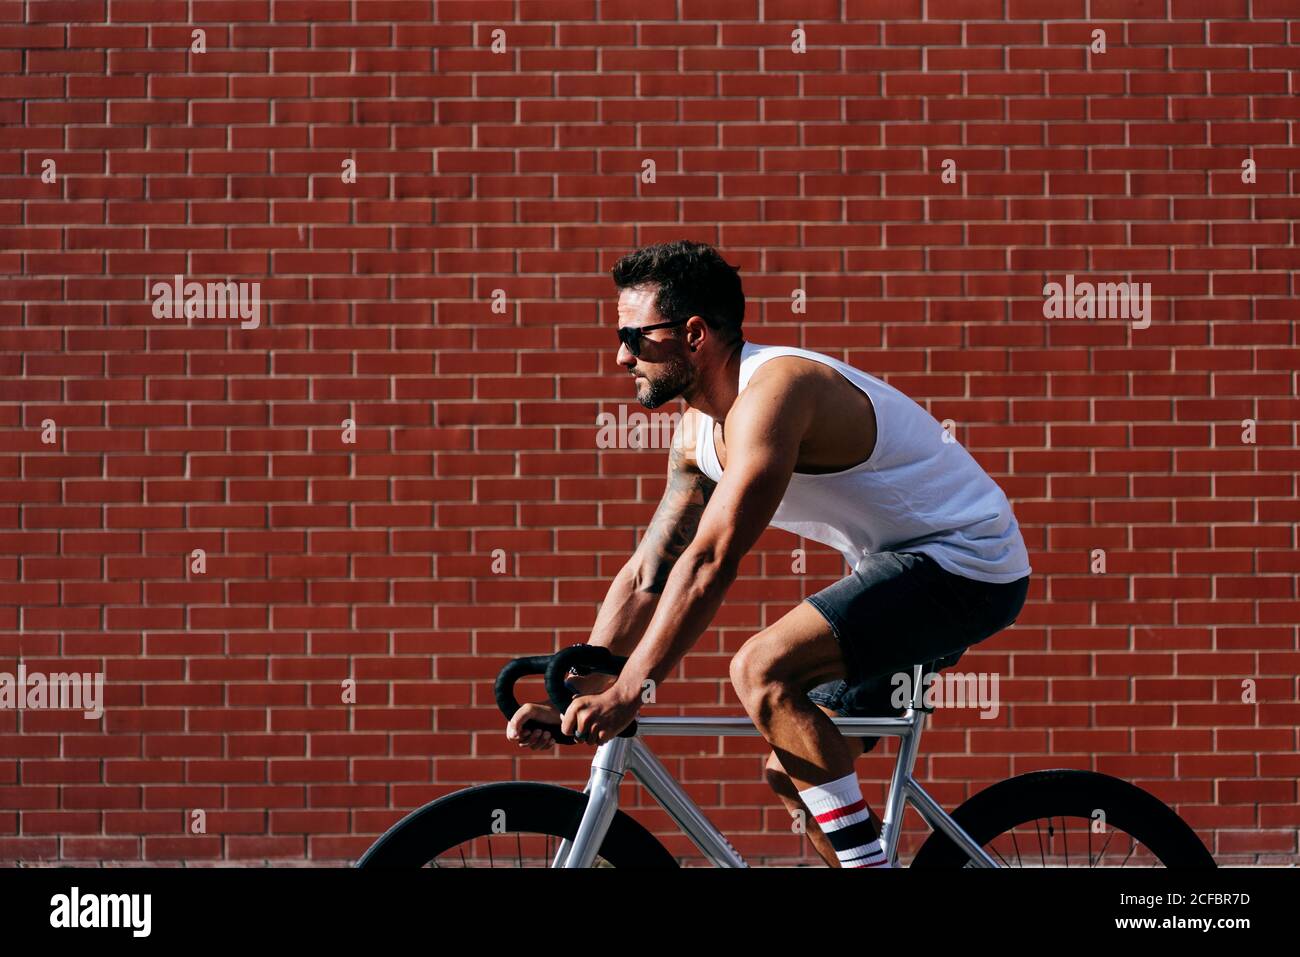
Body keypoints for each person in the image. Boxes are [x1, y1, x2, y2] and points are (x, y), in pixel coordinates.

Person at [506, 240, 1031, 868]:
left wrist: (630, 693)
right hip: (897, 568)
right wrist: (584, 688)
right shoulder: (697, 434)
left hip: (968, 564)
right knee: (796, 772)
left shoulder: (778, 391)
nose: (622, 356)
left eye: (634, 337)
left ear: (693, 334)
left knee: (761, 668)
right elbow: (650, 571)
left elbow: (710, 561)